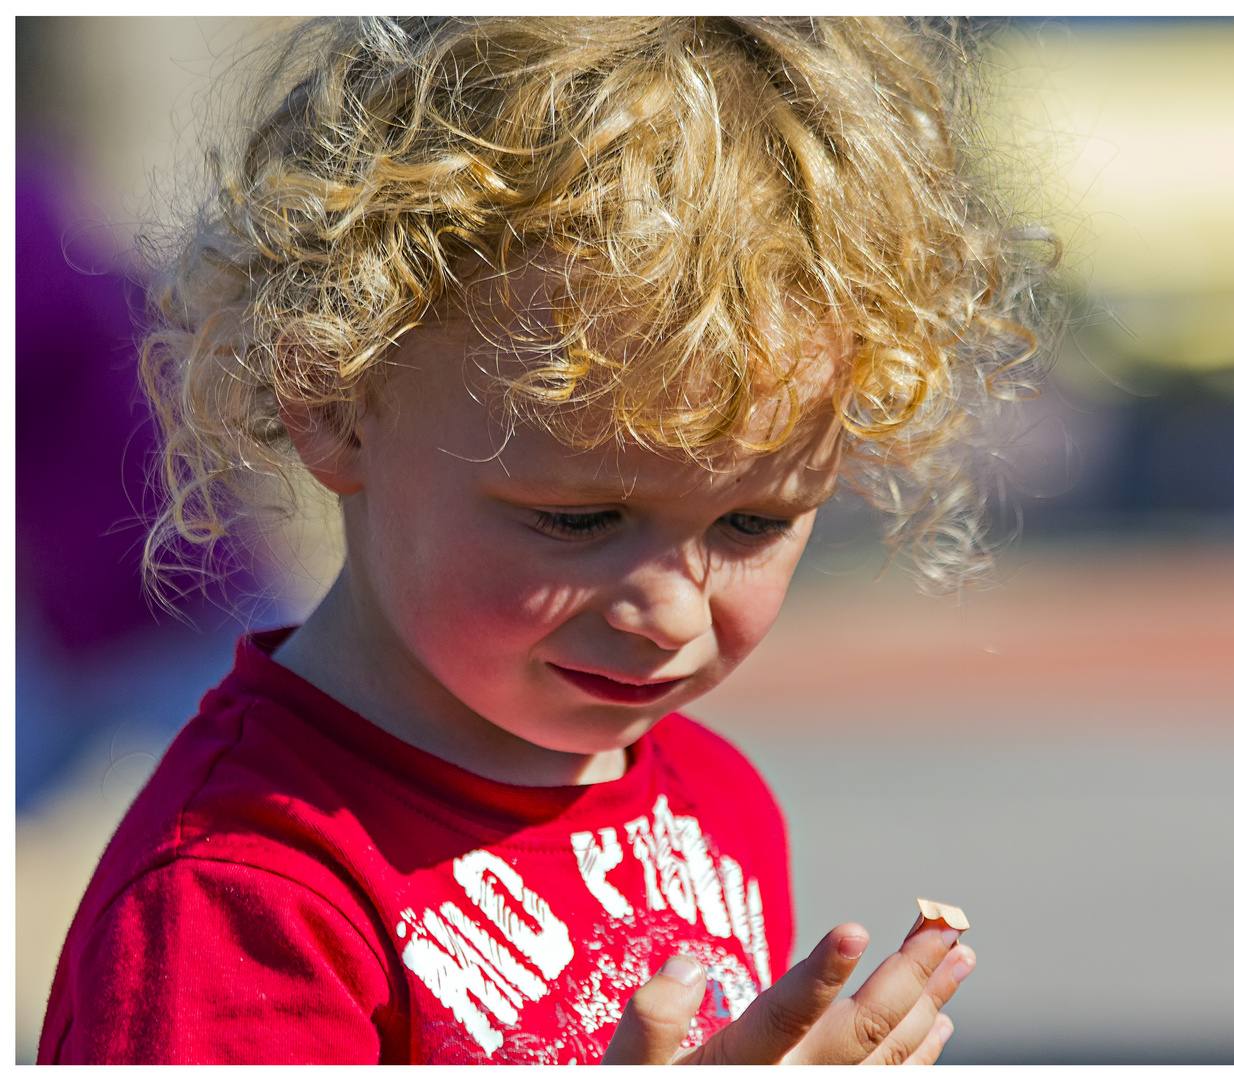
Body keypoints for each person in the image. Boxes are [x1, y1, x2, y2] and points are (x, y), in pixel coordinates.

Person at [39, 16, 1052, 1064]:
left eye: (752, 522)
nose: (669, 613)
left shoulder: (713, 801)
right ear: (333, 401)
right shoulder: (239, 897)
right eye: (579, 519)